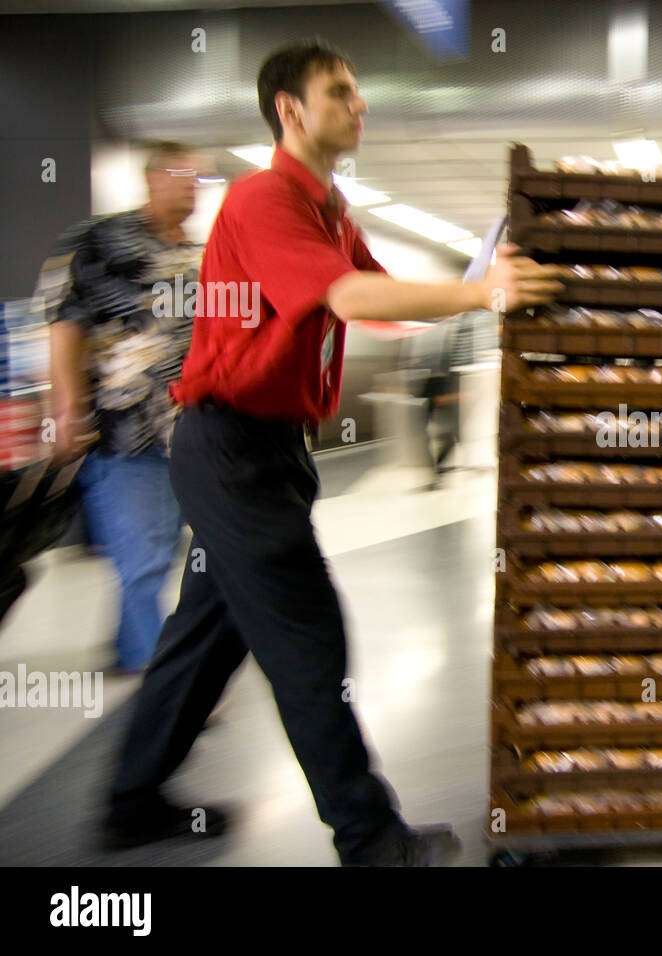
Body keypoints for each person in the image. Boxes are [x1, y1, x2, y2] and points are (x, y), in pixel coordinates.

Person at [101, 38, 562, 865]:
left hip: (267, 452)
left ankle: (129, 802)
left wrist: (482, 274)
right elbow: (346, 296)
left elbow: (378, 302)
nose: (360, 105)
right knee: (309, 639)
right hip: (231, 449)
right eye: (341, 91)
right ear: (291, 109)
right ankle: (369, 836)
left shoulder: (331, 212)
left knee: (205, 636)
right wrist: (481, 291)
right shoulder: (262, 198)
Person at [38, 141, 205, 673]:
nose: (190, 185)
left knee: (160, 551)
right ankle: (160, 676)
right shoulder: (102, 240)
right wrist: (65, 409)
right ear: (152, 177)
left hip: (190, 431)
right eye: (180, 173)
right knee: (143, 559)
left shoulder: (201, 255)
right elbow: (66, 321)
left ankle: (126, 641)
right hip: (122, 430)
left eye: (199, 178)